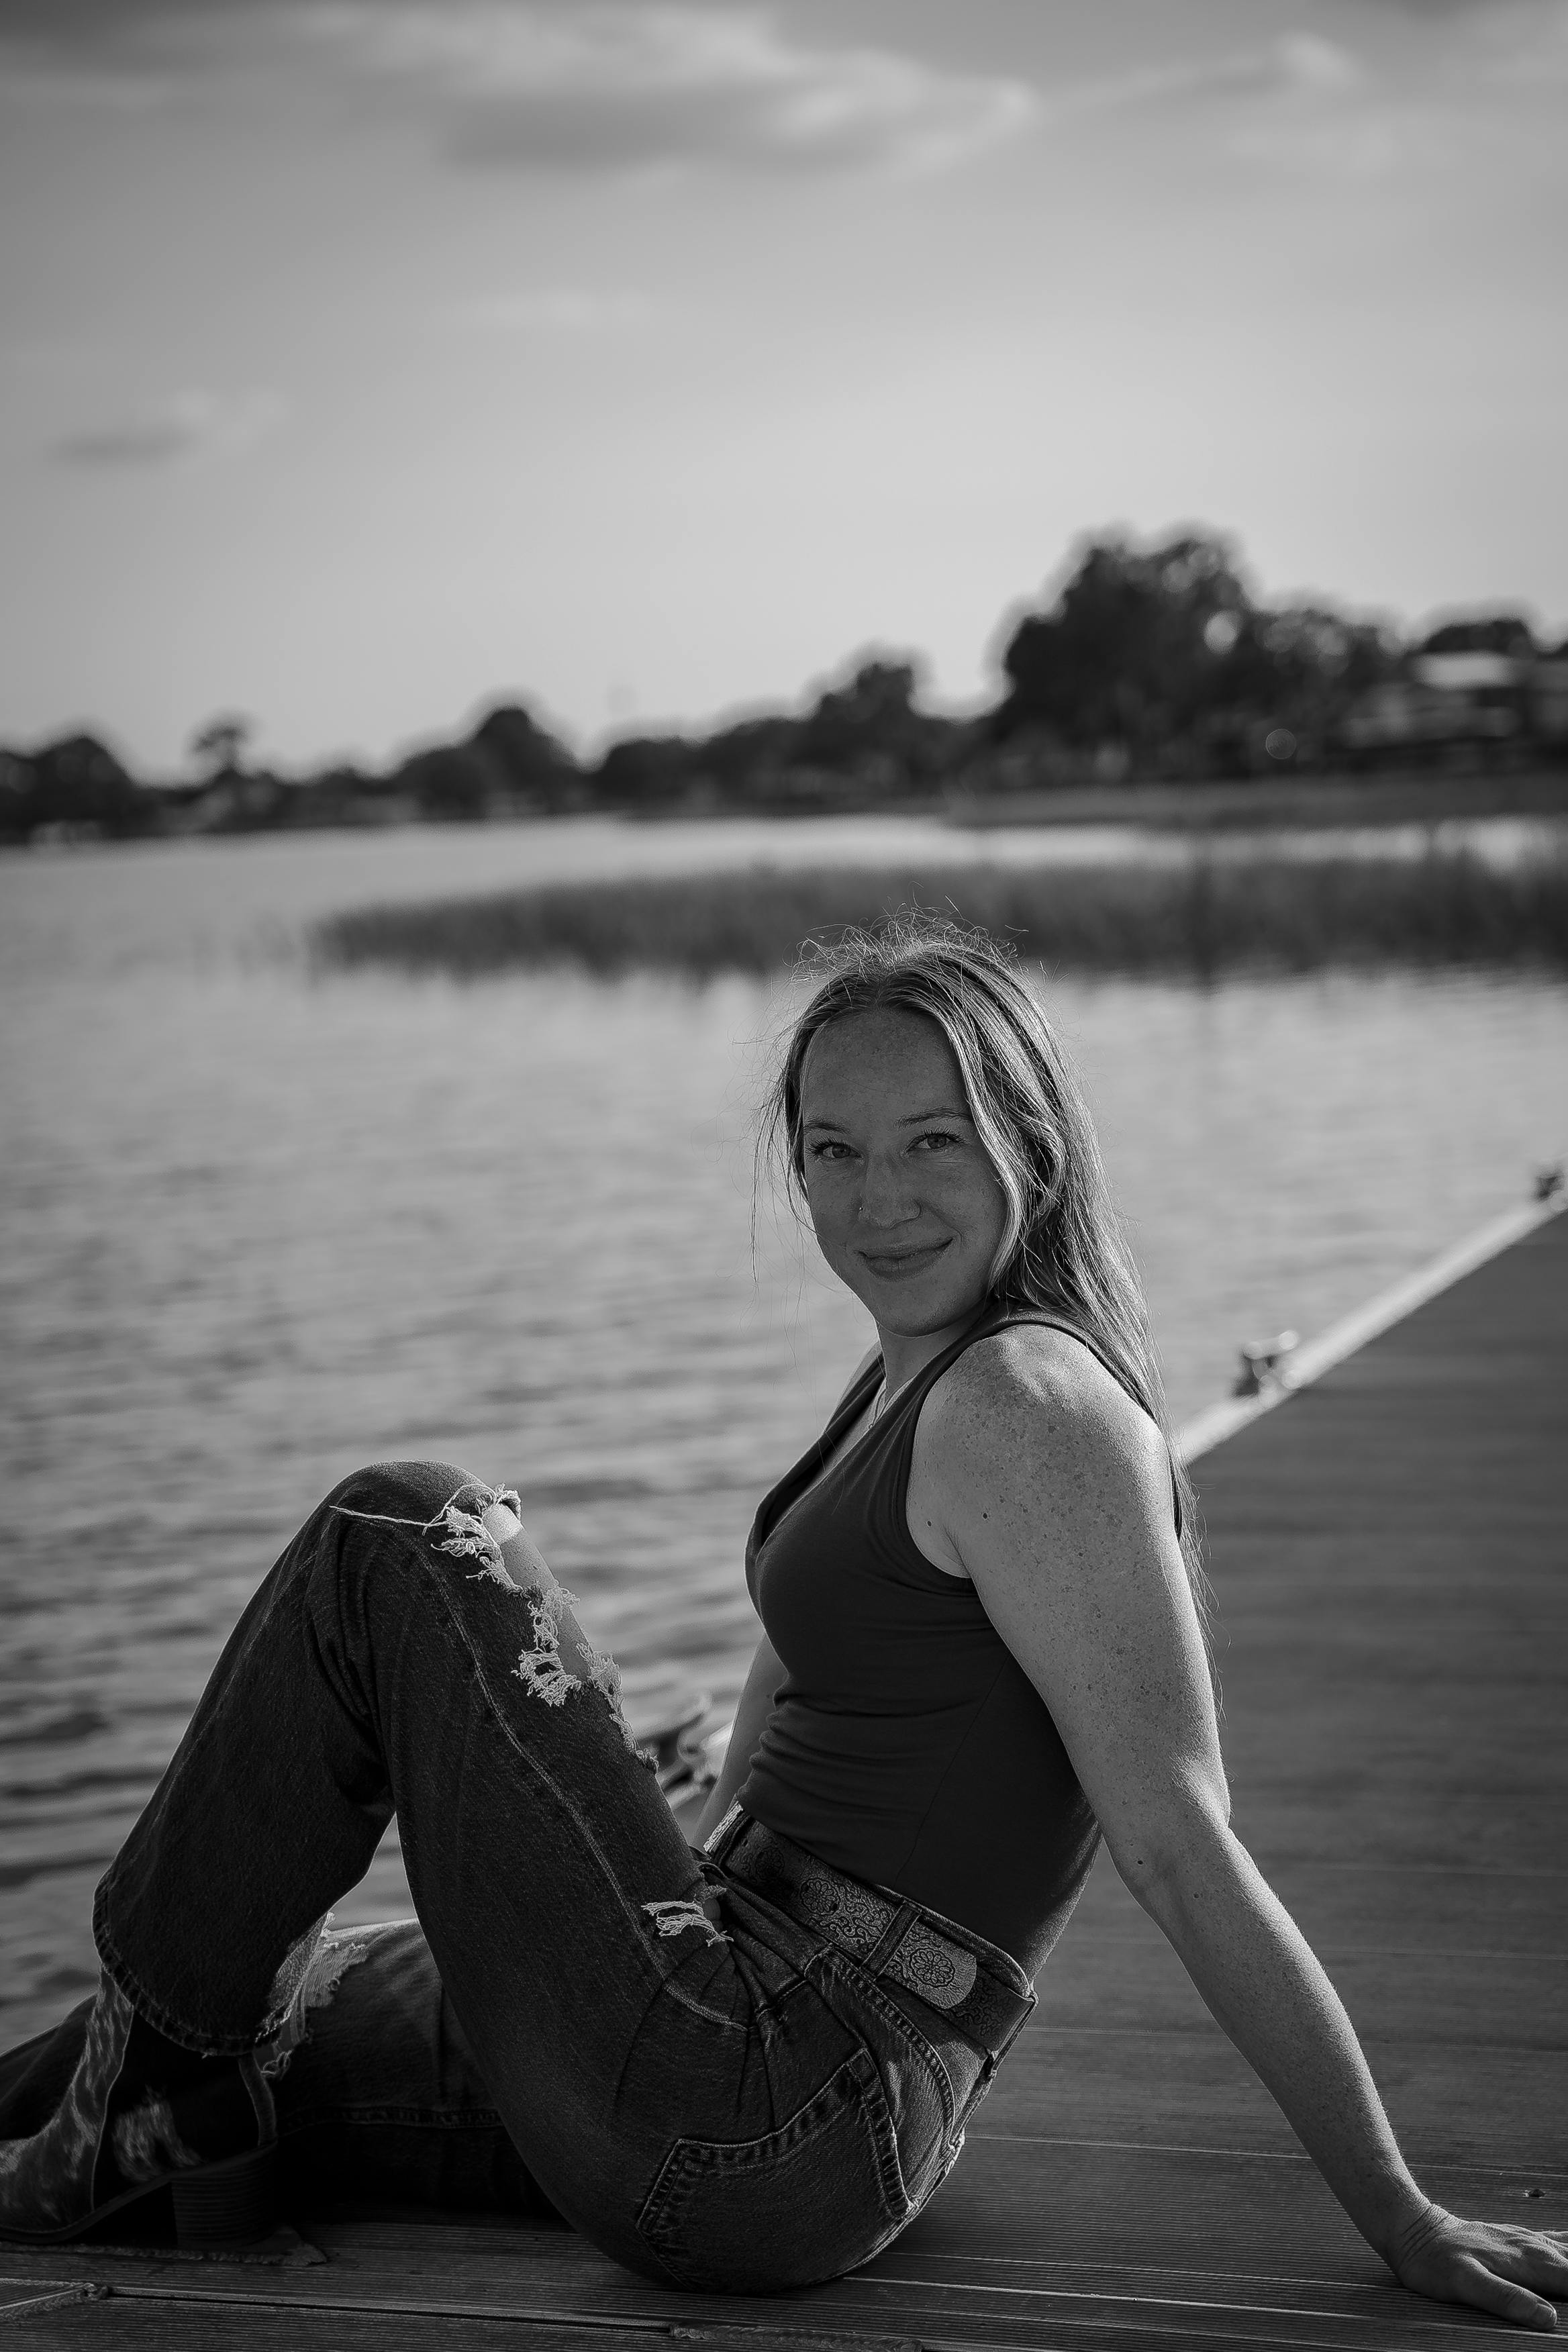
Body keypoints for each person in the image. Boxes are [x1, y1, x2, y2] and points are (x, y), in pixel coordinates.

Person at [1, 920, 1564, 2327]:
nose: (877, 1201)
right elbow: (804, 1681)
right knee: (210, 2017)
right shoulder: (916, 1372)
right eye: (833, 1151)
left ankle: (149, 2112)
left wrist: (1397, 2214)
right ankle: (146, 2115)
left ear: (1033, 1143)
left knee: (403, 1535)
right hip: (720, 2003)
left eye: (933, 1142)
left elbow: (1177, 1838)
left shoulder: (1026, 1411)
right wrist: (631, 1865)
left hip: (774, 2094)